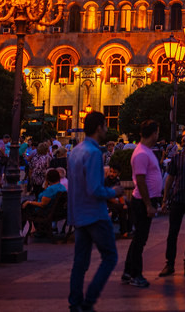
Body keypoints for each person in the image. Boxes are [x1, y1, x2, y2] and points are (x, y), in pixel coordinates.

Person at [67, 111, 123, 312]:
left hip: (78, 213)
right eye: (106, 125)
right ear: (99, 127)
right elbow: (94, 189)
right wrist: (114, 192)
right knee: (110, 257)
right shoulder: (94, 153)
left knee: (80, 262)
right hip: (95, 213)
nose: (107, 129)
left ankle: (75, 302)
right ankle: (89, 300)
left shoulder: (75, 151)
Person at [121, 119, 161, 288]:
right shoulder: (142, 154)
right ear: (154, 133)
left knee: (139, 237)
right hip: (142, 200)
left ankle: (128, 271)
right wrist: (148, 204)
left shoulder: (145, 151)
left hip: (146, 199)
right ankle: (135, 274)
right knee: (140, 240)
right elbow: (141, 180)